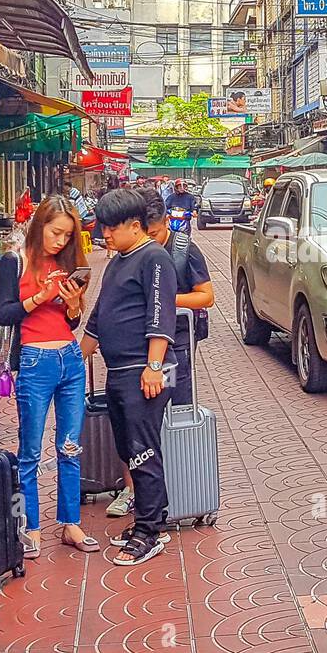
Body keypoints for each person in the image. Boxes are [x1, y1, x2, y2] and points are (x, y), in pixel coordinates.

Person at [107, 185, 214, 535]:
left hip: (175, 349)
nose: (149, 239)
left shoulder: (183, 251)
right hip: (139, 354)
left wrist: (166, 300)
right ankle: (135, 492)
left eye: (154, 233)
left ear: (164, 223)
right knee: (138, 430)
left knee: (172, 419)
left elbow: (207, 297)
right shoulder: (129, 255)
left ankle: (180, 495)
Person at [79, 187, 178, 565]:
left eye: (111, 228)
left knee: (143, 449)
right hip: (119, 372)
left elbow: (161, 313)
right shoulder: (119, 260)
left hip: (147, 372)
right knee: (127, 448)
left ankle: (151, 529)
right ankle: (149, 519)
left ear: (134, 226)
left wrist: (154, 367)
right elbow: (100, 317)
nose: (104, 234)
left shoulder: (154, 258)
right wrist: (77, 358)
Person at [0, 195, 95, 558]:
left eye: (67, 236)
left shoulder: (64, 263)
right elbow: (4, 314)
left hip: (69, 358)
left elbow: (71, 322)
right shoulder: (15, 261)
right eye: (56, 233)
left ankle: (70, 523)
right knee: (29, 453)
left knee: (70, 447)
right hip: (35, 361)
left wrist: (72, 305)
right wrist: (41, 297)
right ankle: (28, 525)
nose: (60, 241)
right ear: (40, 225)